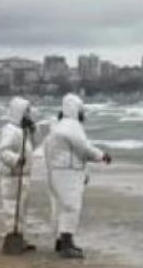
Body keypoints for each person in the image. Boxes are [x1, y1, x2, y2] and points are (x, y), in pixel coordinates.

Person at [40, 92, 111, 258]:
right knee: (71, 206)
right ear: (75, 109)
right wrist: (102, 156)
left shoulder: (58, 126)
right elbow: (83, 148)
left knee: (61, 207)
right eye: (81, 109)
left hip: (56, 171)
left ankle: (61, 240)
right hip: (68, 171)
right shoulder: (71, 127)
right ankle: (66, 244)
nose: (82, 114)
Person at [0, 96, 40, 251]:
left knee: (21, 208)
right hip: (12, 176)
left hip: (23, 175)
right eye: (26, 112)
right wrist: (16, 159)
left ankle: (20, 236)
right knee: (11, 207)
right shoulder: (10, 130)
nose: (29, 115)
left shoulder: (23, 131)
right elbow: (3, 151)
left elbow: (33, 146)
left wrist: (33, 131)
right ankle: (11, 236)